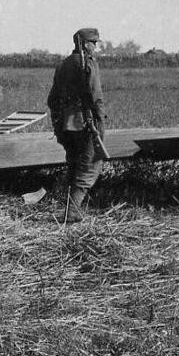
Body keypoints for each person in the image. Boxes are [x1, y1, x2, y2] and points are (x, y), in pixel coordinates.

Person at [46, 27, 107, 222]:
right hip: (87, 123)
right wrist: (99, 121)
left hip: (66, 124)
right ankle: (71, 212)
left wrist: (58, 121)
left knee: (74, 163)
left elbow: (52, 99)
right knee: (89, 164)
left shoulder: (63, 65)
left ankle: (70, 208)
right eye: (93, 44)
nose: (95, 48)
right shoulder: (88, 64)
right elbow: (96, 97)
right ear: (84, 44)